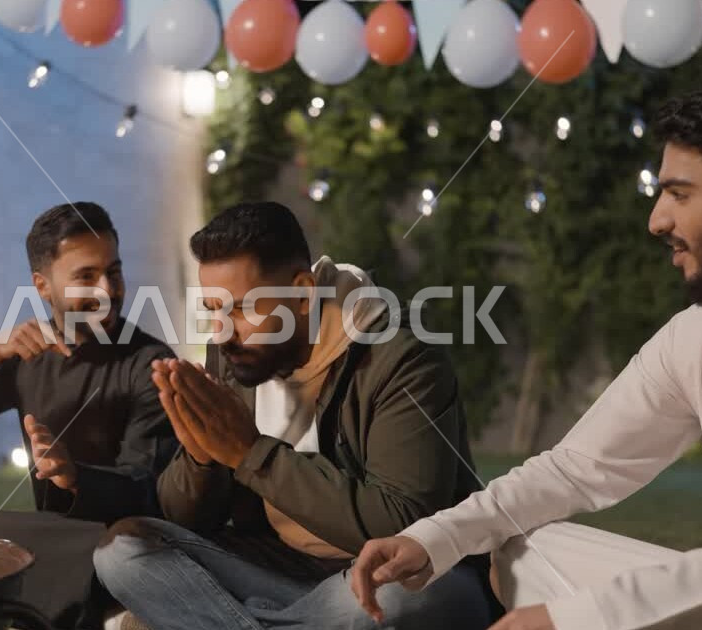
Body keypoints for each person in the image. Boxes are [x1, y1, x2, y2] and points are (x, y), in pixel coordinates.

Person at [351, 77, 702, 629]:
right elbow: (576, 469)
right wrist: (434, 536)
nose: (657, 220)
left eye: (680, 194)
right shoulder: (699, 335)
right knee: (524, 552)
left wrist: (579, 618)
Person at [93, 202, 499, 629]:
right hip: (279, 569)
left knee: (397, 602)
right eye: (213, 308)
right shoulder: (234, 355)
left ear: (303, 293)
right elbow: (188, 521)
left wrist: (250, 454)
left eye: (240, 309)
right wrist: (200, 458)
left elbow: (404, 522)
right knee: (124, 550)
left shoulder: (401, 361)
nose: (221, 332)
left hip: (396, 574)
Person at [0, 202, 177, 524]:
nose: (107, 290)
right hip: (55, 540)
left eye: (114, 272)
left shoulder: (152, 364)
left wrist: (75, 477)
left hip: (137, 544)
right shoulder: (26, 357)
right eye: (86, 276)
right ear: (42, 286)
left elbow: (151, 490)